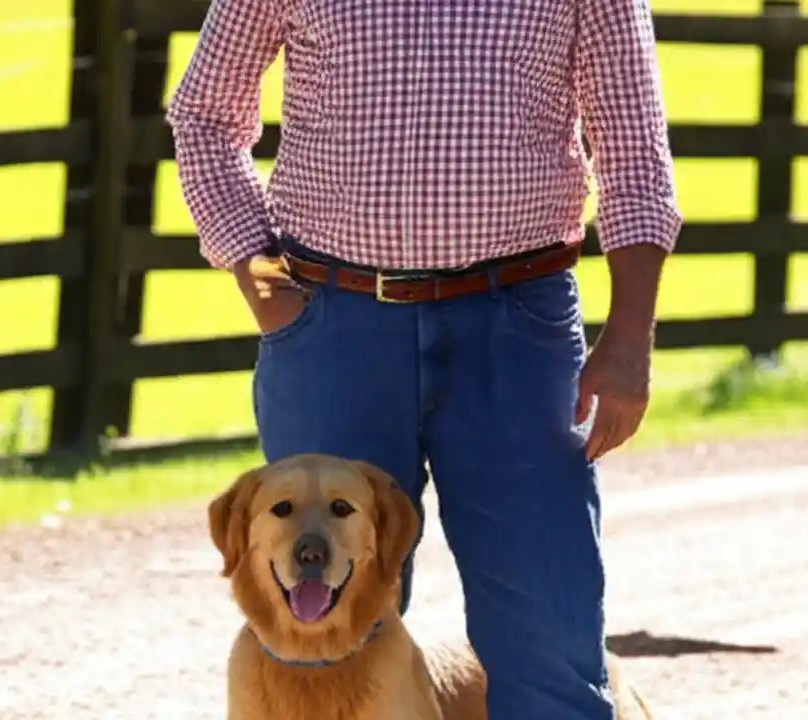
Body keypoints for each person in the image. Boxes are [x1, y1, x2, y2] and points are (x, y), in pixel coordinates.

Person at [167, 0, 680, 716]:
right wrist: (257, 278)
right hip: (334, 327)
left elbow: (633, 147)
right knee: (320, 626)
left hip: (516, 331)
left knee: (544, 627)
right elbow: (203, 114)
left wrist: (628, 337)